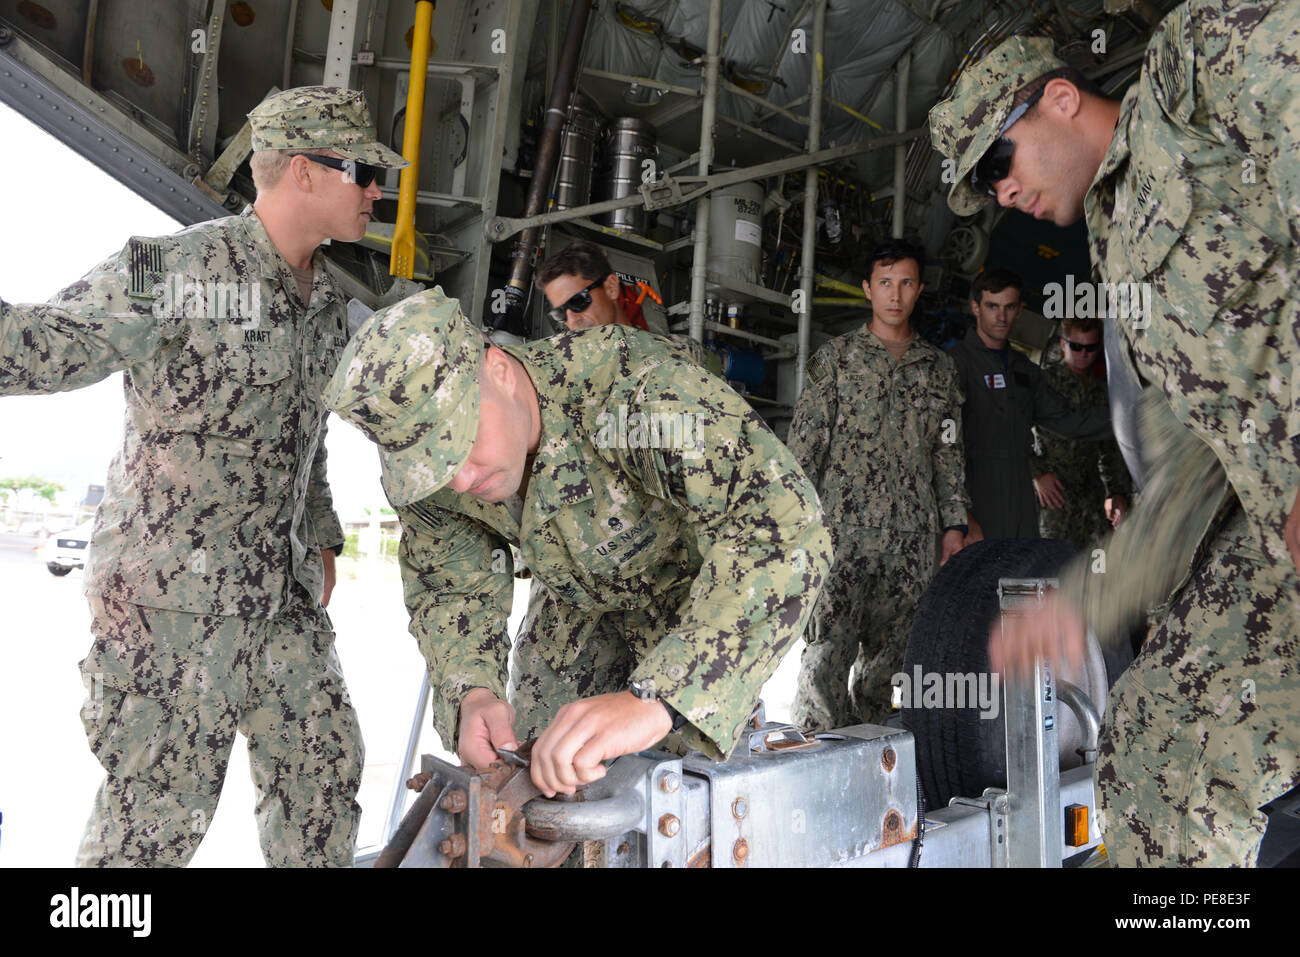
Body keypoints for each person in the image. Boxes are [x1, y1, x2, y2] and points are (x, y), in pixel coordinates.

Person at [930, 0, 1300, 866]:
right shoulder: (1122, 260)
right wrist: (1082, 605)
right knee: (1151, 752)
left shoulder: (1193, 69)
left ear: (1061, 98)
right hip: (1276, 535)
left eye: (998, 159)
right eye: (987, 188)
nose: (1003, 192)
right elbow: (1189, 476)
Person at [0, 86, 407, 866]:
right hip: (169, 606)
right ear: (302, 173)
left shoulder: (326, 302)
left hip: (276, 598)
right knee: (152, 824)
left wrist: (318, 534)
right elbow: (37, 345)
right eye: (361, 169)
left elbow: (305, 434)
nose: (376, 189)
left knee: (322, 772)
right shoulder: (171, 267)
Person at [324, 287, 831, 799]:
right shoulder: (433, 473)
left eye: (460, 444)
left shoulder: (636, 391)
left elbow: (783, 522)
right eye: (432, 465)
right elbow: (452, 583)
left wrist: (663, 697)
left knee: (690, 809)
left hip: (696, 615)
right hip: (573, 613)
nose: (457, 480)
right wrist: (470, 690)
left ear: (498, 369)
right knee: (536, 790)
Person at [785, 241, 969, 729]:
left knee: (892, 670)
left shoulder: (939, 370)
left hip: (910, 539)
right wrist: (796, 528)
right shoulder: (836, 361)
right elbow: (804, 448)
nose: (896, 294)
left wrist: (954, 524)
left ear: (919, 290)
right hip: (839, 536)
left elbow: (947, 453)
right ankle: (817, 763)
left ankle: (877, 763)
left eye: (906, 283)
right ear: (868, 289)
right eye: (885, 283)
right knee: (825, 657)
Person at [949, 269, 1113, 540]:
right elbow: (939, 447)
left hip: (1020, 504)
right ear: (976, 308)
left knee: (1023, 578)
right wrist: (958, 517)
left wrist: (1138, 419)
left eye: (1010, 307)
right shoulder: (953, 365)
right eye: (992, 306)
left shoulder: (1025, 372)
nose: (1001, 317)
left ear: (1020, 310)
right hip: (971, 501)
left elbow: (1070, 420)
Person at [1031, 317, 1131, 548]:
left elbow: (1111, 448)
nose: (1083, 353)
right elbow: (1013, 432)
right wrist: (1036, 474)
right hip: (1052, 494)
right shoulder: (1043, 383)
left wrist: (1117, 492)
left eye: (1090, 347)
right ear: (1063, 344)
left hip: (1090, 494)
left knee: (1093, 566)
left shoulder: (1104, 390)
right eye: (1076, 346)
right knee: (1049, 566)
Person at [536, 239, 709, 367]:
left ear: (611, 287)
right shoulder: (567, 376)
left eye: (578, 301)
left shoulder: (682, 354)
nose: (572, 321)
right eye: (561, 313)